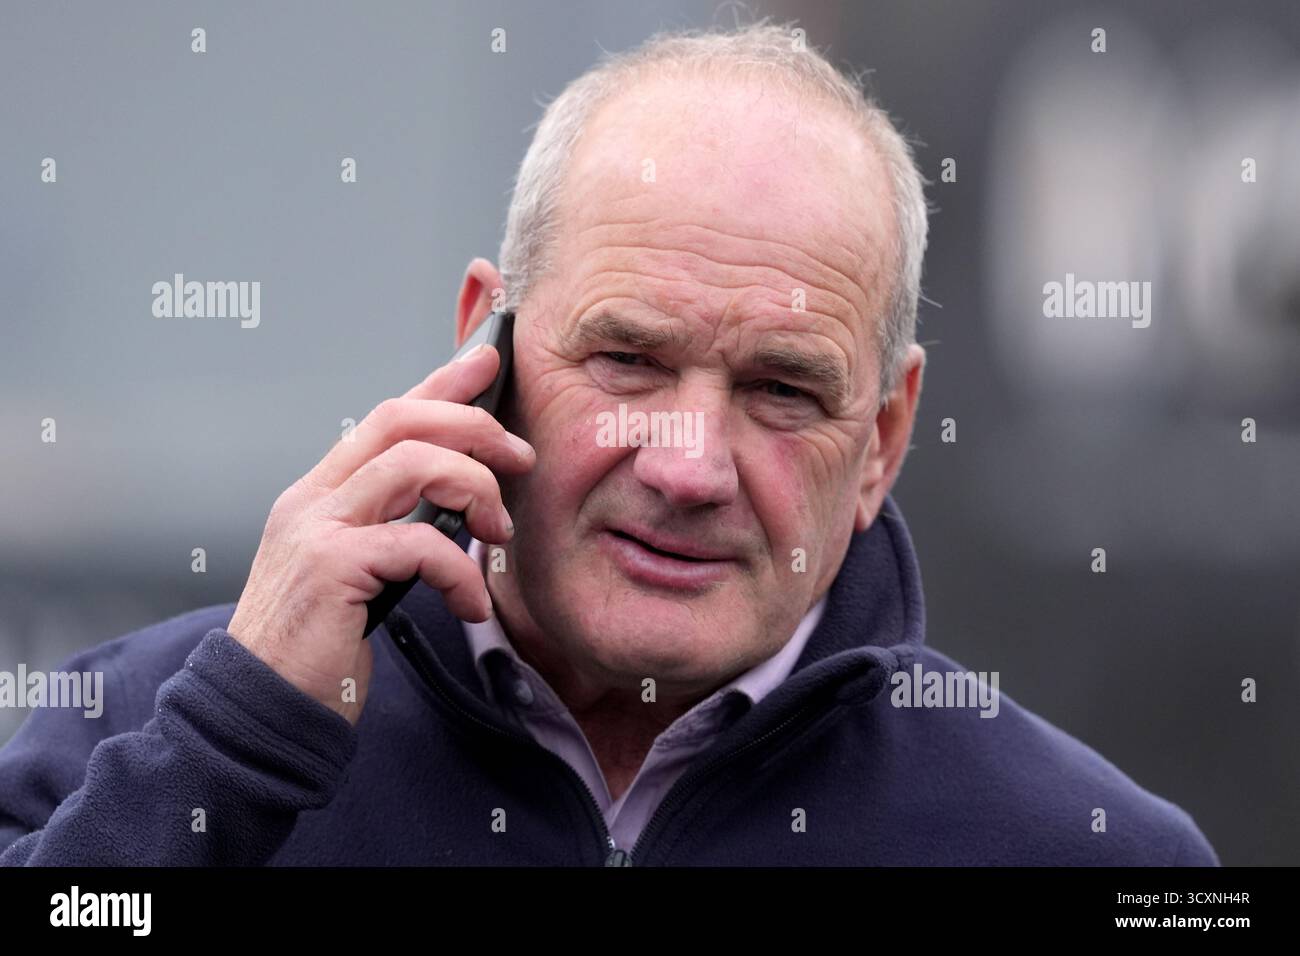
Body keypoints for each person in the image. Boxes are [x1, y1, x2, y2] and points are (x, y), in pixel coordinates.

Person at [0, 21, 1216, 866]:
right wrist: (231, 756)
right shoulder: (137, 736)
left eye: (783, 387)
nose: (687, 466)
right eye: (628, 358)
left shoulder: (1081, 846)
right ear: (489, 342)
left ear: (885, 437)